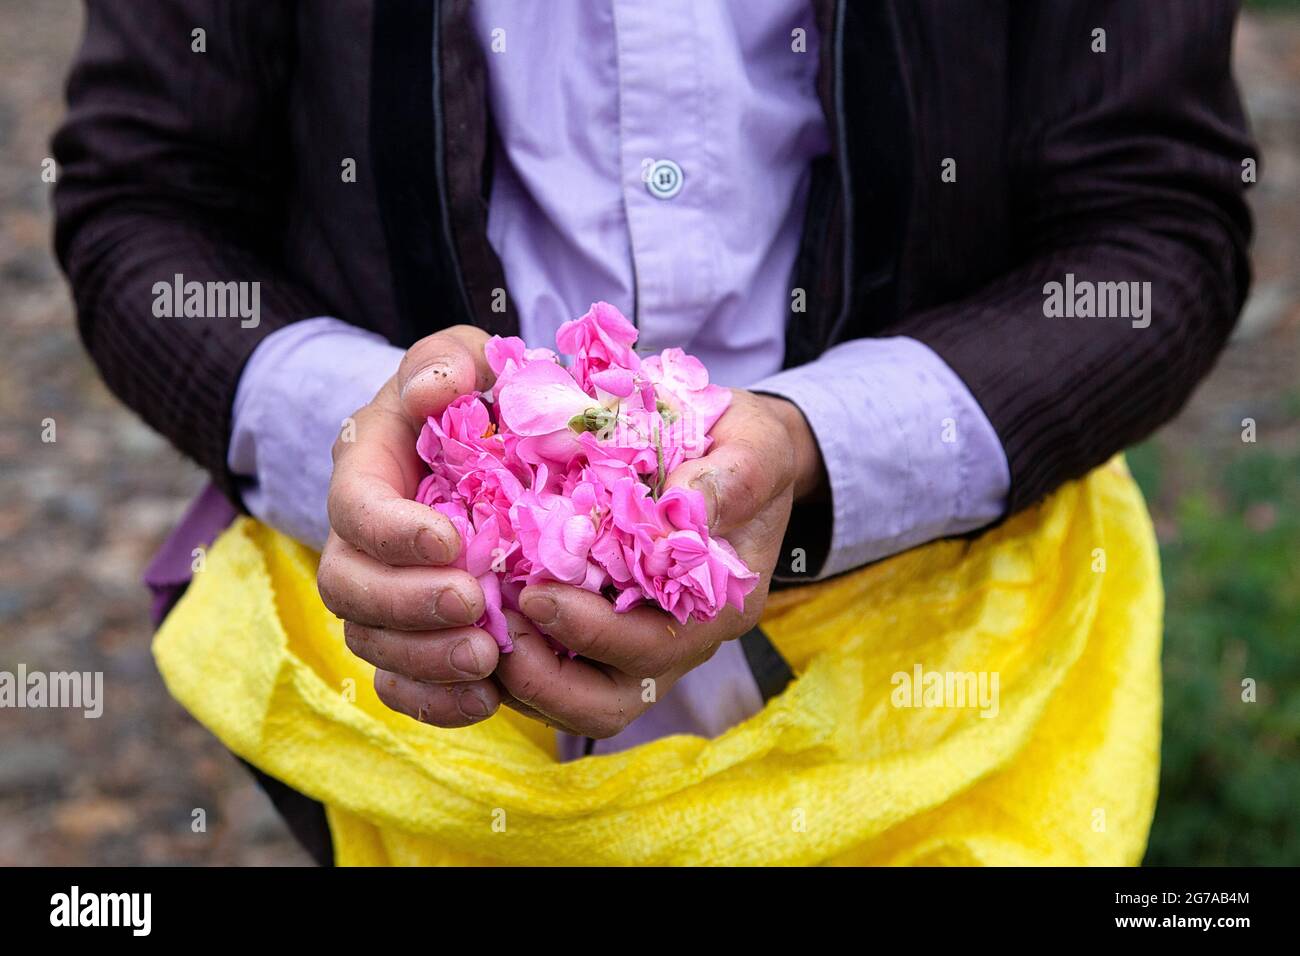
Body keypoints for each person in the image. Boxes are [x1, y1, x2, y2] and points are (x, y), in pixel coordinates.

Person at [53, 0, 1253, 863]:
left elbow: (1154, 226)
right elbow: (144, 200)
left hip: (927, 683)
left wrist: (821, 447)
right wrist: (374, 441)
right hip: (425, 727)